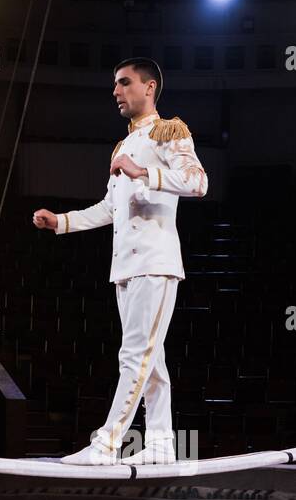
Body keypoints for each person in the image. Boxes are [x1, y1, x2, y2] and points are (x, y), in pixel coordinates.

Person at [32, 57, 207, 465]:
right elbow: (111, 208)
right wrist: (61, 222)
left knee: (135, 356)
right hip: (126, 268)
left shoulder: (169, 132)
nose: (116, 91)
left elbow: (199, 182)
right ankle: (162, 443)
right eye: (115, 84)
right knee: (152, 358)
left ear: (149, 88)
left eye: (124, 83)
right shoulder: (124, 145)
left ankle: (107, 444)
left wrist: (143, 171)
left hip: (156, 262)